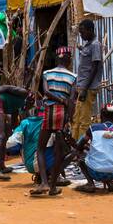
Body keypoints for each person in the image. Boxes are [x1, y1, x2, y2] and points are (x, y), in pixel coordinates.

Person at [34, 48, 77, 197]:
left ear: (57, 60)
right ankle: (52, 187)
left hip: (49, 111)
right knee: (59, 152)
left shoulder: (47, 74)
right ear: (69, 60)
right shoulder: (73, 77)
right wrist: (69, 119)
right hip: (62, 113)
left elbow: (45, 92)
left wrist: (56, 99)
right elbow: (71, 102)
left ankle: (44, 182)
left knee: (40, 148)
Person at [75, 102, 113, 192]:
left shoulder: (93, 128)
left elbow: (79, 146)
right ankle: (110, 183)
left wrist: (85, 148)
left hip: (95, 172)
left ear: (101, 115)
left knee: (80, 157)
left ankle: (90, 183)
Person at [70, 19, 103, 139]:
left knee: (84, 121)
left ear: (90, 30)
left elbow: (94, 67)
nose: (81, 35)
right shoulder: (88, 45)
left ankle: (80, 149)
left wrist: (84, 88)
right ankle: (74, 144)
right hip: (83, 87)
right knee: (77, 119)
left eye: (82, 32)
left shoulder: (95, 45)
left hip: (87, 88)